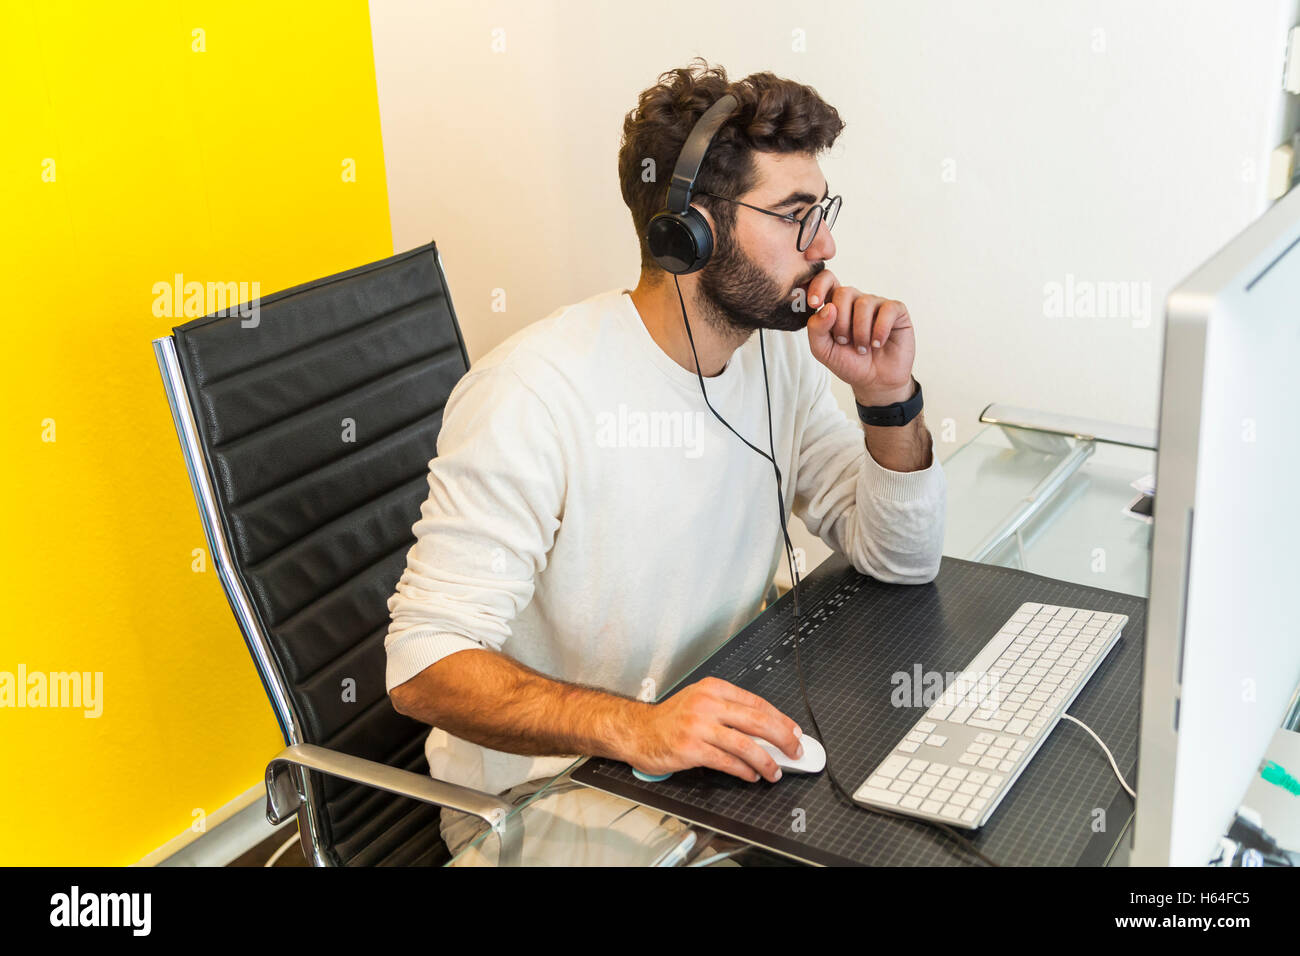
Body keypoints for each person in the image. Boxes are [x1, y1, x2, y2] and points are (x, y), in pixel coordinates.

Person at [384, 58, 947, 865]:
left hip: (713, 738)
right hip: (552, 797)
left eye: (821, 210)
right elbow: (423, 666)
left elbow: (900, 559)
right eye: (795, 215)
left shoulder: (775, 357)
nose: (826, 244)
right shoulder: (532, 396)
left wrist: (890, 402)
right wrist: (639, 726)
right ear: (692, 231)